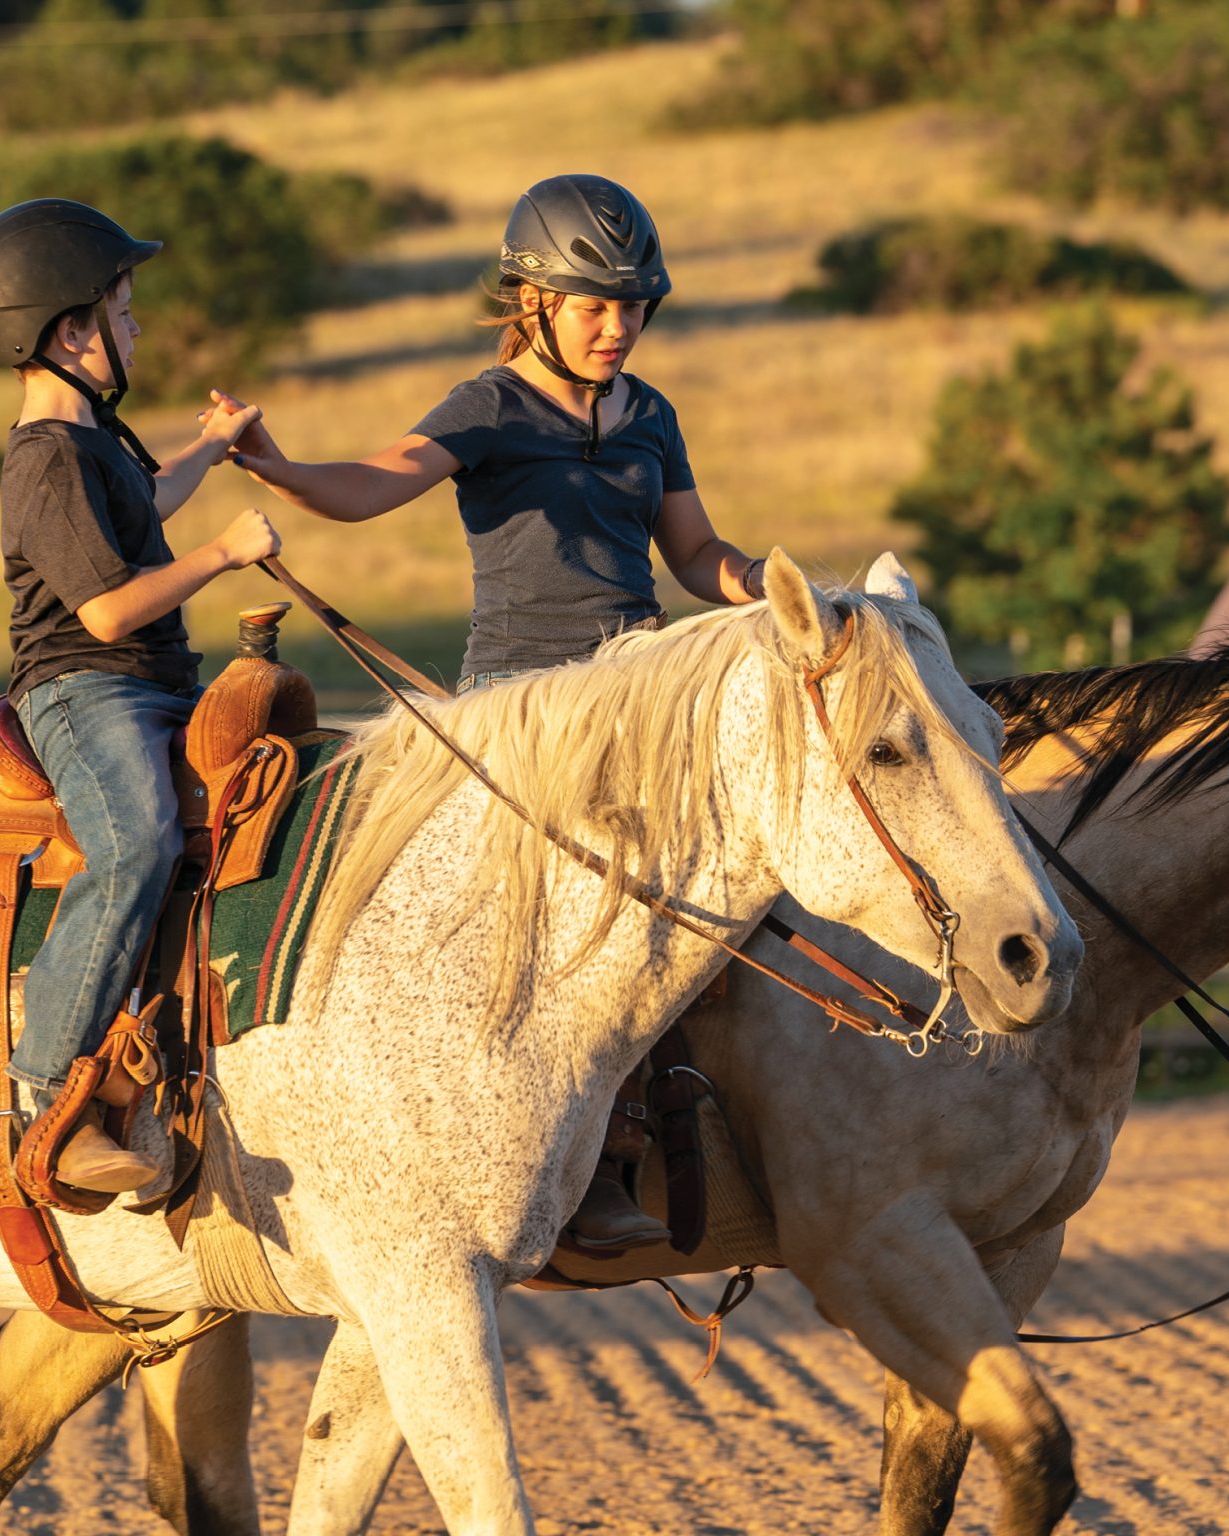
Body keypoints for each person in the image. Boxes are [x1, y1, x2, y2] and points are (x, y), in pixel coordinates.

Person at [222, 173, 766, 1248]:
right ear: (533, 302)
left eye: (634, 305)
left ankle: (707, 1127)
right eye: (595, 306)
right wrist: (280, 470)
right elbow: (377, 482)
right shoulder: (489, 406)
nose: (620, 328)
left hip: (641, 696)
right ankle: (576, 1158)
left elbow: (695, 554)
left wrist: (773, 582)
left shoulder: (647, 413)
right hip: (523, 709)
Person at [0, 198, 280, 1195]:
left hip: (149, 687)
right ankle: (45, 1101)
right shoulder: (44, 459)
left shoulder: (91, 441)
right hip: (85, 693)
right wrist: (223, 556)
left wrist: (214, 446)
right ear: (69, 332)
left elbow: (146, 505)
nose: (135, 329)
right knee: (135, 841)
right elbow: (104, 613)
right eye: (123, 312)